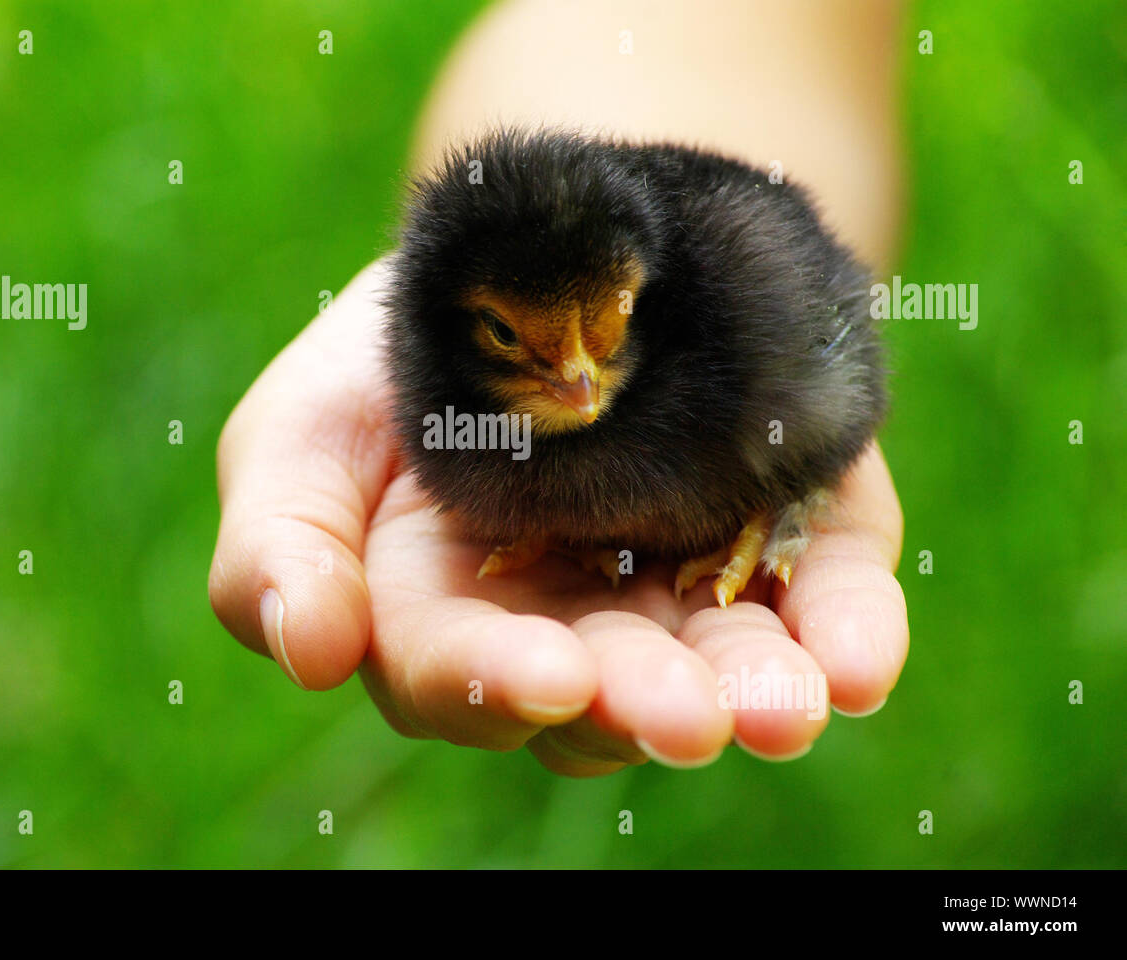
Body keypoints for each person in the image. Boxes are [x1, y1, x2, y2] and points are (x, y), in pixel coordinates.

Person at [209, 0, 909, 776]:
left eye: (608, 318)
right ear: (440, 336)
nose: (578, 378)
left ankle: (773, 504)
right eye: (510, 335)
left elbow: (830, 334)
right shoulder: (454, 419)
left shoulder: (739, 307)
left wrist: (791, 491)